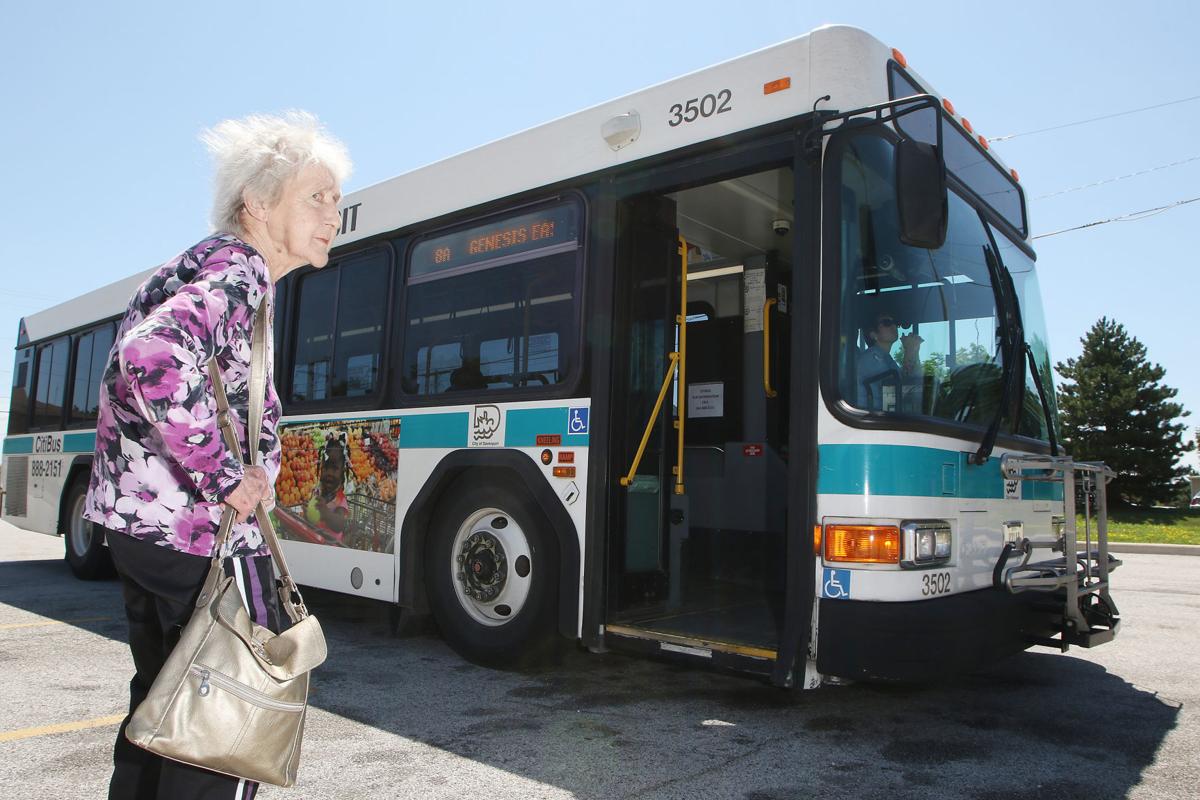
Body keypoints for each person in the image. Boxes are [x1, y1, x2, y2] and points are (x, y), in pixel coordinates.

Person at [83, 111, 351, 800]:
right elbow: (149, 359)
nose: (334, 212)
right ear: (258, 205)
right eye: (315, 196)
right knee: (223, 730)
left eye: (336, 197)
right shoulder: (240, 271)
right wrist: (227, 476)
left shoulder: (209, 266)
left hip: (149, 532)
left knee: (165, 709)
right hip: (196, 537)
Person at [856, 310, 923, 410]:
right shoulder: (871, 357)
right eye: (887, 323)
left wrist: (915, 351)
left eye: (895, 323)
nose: (894, 326)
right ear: (873, 334)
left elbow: (916, 381)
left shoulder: (887, 359)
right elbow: (900, 389)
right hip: (873, 419)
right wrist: (909, 351)